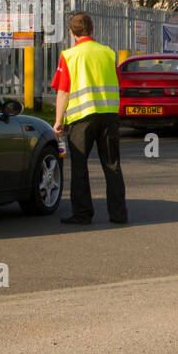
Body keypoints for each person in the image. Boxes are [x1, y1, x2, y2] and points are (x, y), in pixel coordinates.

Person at [51, 12, 128, 225]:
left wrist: (59, 122)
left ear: (71, 32)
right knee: (112, 165)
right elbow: (117, 82)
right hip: (109, 117)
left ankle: (83, 214)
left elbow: (63, 91)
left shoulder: (69, 55)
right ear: (92, 29)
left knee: (79, 167)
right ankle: (119, 214)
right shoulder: (108, 53)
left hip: (82, 119)